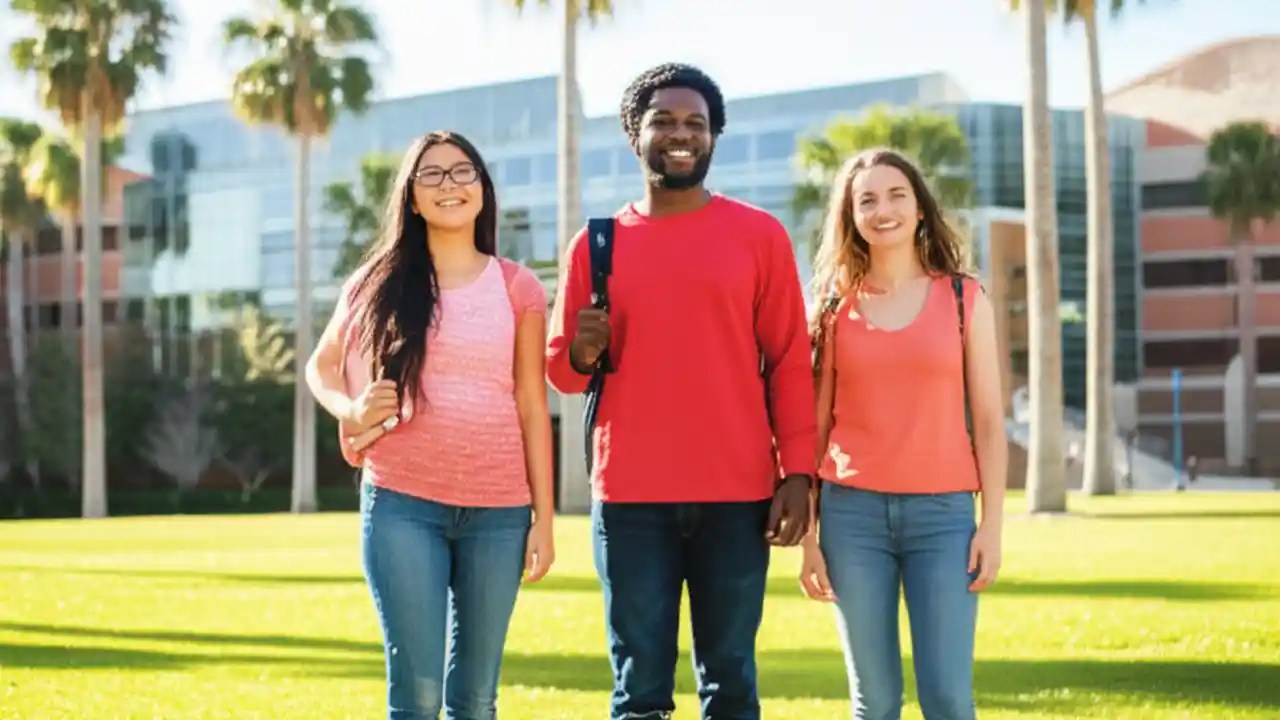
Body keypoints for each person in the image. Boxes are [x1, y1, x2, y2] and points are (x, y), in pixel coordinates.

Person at [546, 63, 816, 720]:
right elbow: (562, 372)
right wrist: (583, 347)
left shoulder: (759, 236)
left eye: (695, 122)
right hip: (632, 496)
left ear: (714, 136)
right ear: (635, 133)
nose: (680, 133)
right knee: (638, 689)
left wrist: (799, 473)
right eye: (662, 120)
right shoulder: (598, 243)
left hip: (739, 494)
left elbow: (787, 360)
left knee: (730, 680)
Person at [304, 130, 555, 720]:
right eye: (432, 175)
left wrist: (543, 519)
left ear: (483, 191)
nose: (450, 185)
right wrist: (351, 408)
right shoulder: (373, 283)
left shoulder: (518, 287)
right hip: (402, 505)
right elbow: (321, 365)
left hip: (498, 514)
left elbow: (530, 404)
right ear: (412, 198)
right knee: (415, 699)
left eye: (463, 171)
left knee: (475, 700)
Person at [798, 148, 1007, 720]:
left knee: (946, 698)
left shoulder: (964, 297)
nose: (882, 209)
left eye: (896, 195)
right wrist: (811, 538)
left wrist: (991, 523)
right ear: (852, 216)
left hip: (943, 519)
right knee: (876, 702)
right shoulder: (833, 307)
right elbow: (814, 428)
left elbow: (988, 420)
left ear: (919, 209)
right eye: (866, 199)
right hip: (851, 520)